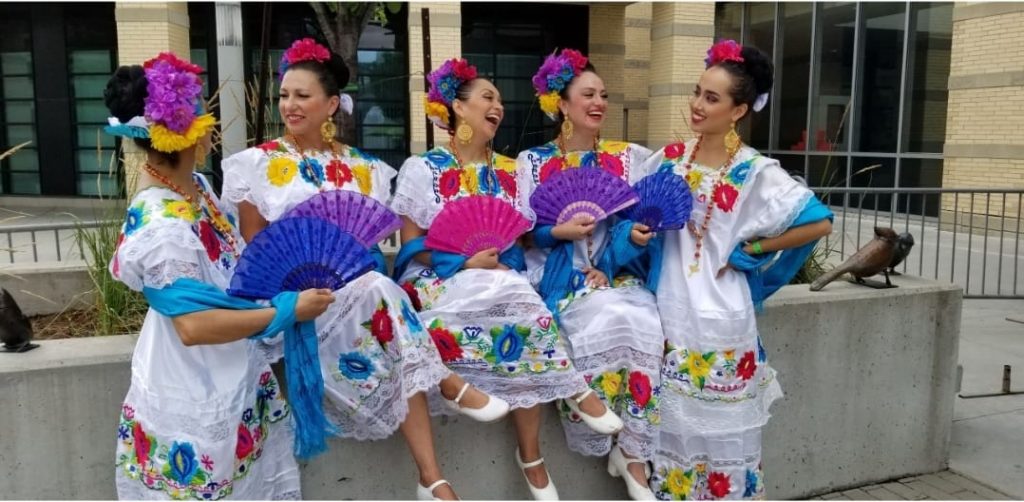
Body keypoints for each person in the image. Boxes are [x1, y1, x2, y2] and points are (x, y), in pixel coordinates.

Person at [221, 38, 477, 500]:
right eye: (284, 95)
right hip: (291, 305)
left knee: (380, 299)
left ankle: (431, 476)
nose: (290, 105)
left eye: (302, 95)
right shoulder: (255, 165)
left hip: (357, 299)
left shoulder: (365, 169)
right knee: (383, 300)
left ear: (332, 103)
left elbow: (371, 250)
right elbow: (255, 250)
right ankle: (444, 397)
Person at [391, 57, 623, 501]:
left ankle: (532, 452)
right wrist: (463, 261)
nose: (498, 105)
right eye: (487, 97)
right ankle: (568, 396)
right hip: (441, 278)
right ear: (457, 107)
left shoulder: (512, 171)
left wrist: (499, 259)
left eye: (499, 100)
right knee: (516, 294)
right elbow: (409, 249)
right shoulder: (422, 170)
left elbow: (519, 242)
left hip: (500, 276)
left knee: (517, 289)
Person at [106, 52, 332, 500]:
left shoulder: (199, 189)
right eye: (198, 109)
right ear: (186, 130)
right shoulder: (162, 222)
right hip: (191, 378)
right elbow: (193, 326)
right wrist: (286, 310)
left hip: (234, 366)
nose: (209, 120)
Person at [638, 40, 833, 500]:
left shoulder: (755, 172)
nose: (697, 105)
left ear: (739, 109)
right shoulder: (667, 159)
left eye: (712, 98)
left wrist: (760, 246)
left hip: (724, 317)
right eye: (697, 92)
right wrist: (636, 234)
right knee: (674, 435)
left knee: (725, 438)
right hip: (670, 313)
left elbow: (819, 221)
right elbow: (629, 214)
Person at [516, 49, 665, 500]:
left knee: (646, 321)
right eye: (587, 94)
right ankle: (612, 439)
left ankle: (634, 453)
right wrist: (557, 231)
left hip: (609, 274)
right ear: (561, 104)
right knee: (607, 318)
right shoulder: (533, 162)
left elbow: (626, 229)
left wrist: (632, 242)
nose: (598, 102)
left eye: (602, 94)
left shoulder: (627, 159)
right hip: (558, 278)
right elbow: (524, 236)